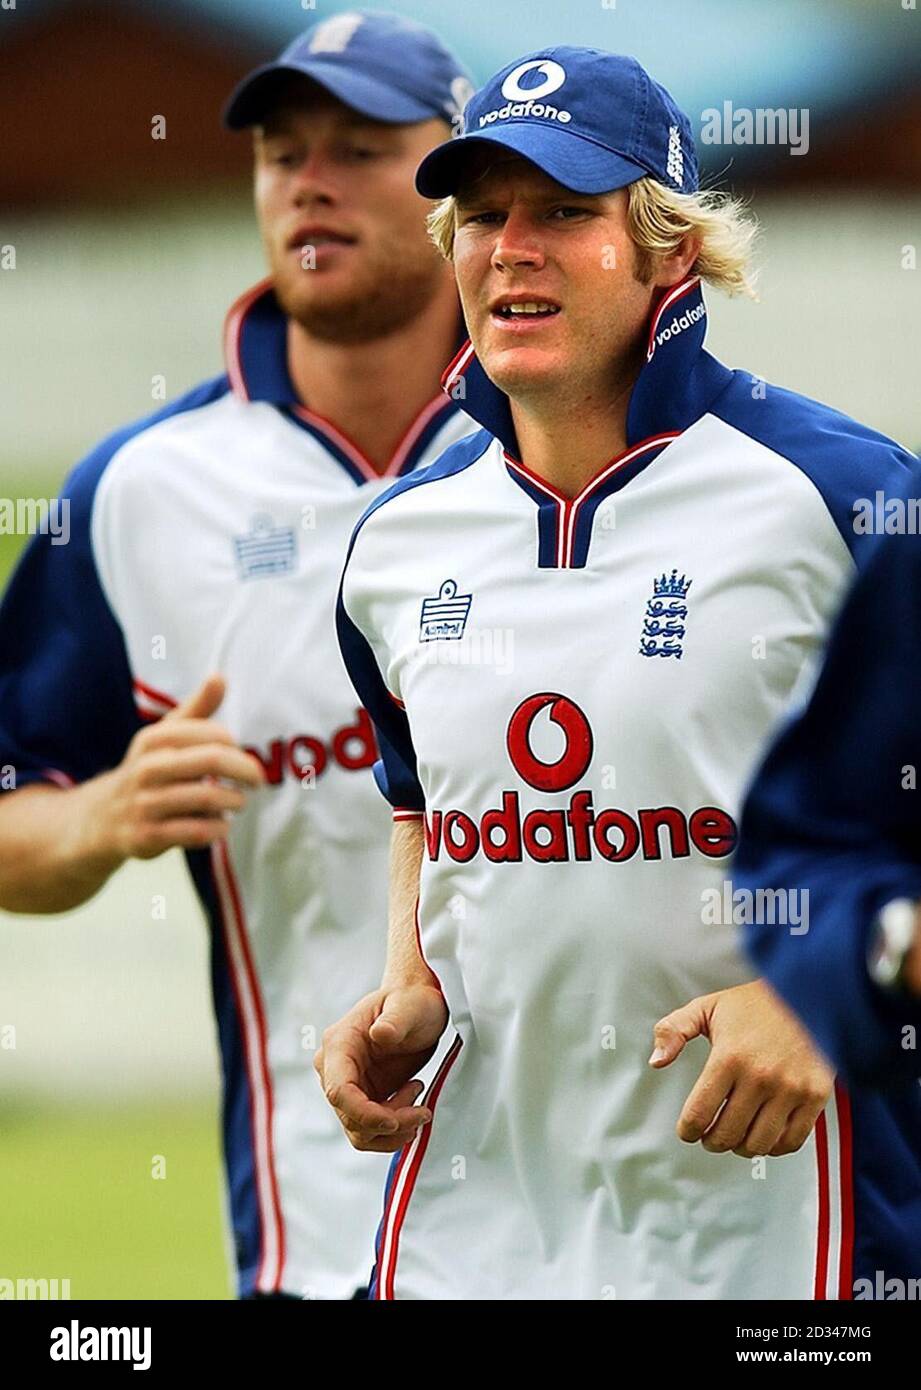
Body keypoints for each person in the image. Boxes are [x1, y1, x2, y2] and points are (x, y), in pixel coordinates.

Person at [317, 46, 918, 1299]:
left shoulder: (852, 501)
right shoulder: (394, 541)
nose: (511, 246)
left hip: (784, 1243)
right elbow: (420, 796)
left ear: (669, 251)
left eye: (566, 212)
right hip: (467, 1234)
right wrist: (409, 977)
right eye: (482, 213)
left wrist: (818, 991)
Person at [0, 12, 475, 1300]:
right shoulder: (140, 492)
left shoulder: (583, 453)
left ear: (461, 183)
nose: (309, 179)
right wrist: (99, 814)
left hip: (626, 1218)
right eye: (281, 151)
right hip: (321, 1229)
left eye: (363, 147)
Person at [734, 517, 921, 1088]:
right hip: (505, 1147)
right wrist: (889, 949)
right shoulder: (450, 498)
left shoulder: (847, 477)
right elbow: (819, 843)